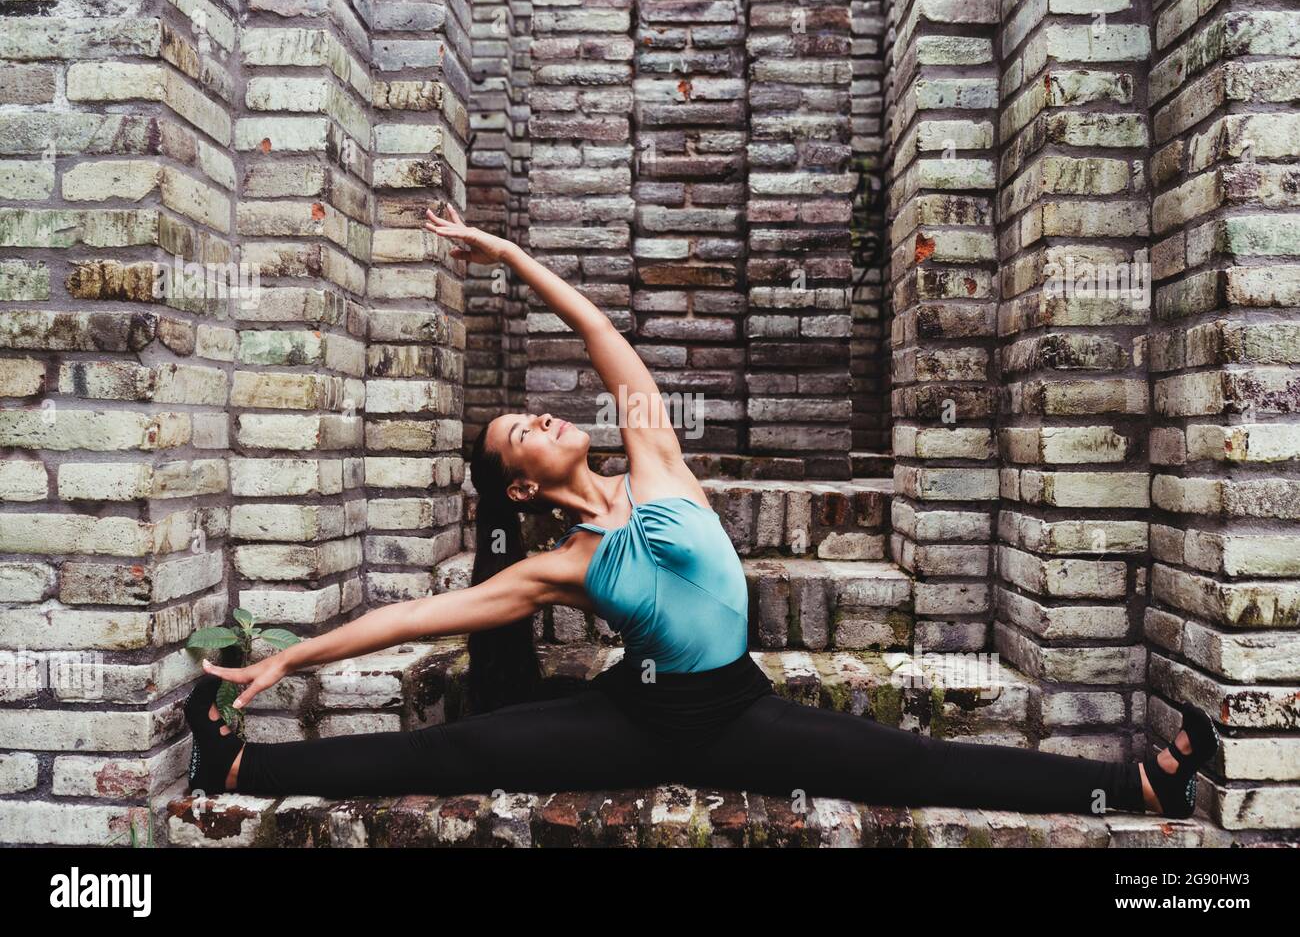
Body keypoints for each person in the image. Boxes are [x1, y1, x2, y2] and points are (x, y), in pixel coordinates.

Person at [184, 204, 1217, 821]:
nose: (542, 418)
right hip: (636, 720)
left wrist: (504, 259)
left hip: (736, 710)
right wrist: (292, 657)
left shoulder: (657, 460)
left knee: (911, 766)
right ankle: (241, 767)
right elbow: (408, 623)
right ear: (521, 488)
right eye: (521, 434)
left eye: (535, 413)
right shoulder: (560, 567)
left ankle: (1131, 790)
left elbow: (599, 331)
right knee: (458, 753)